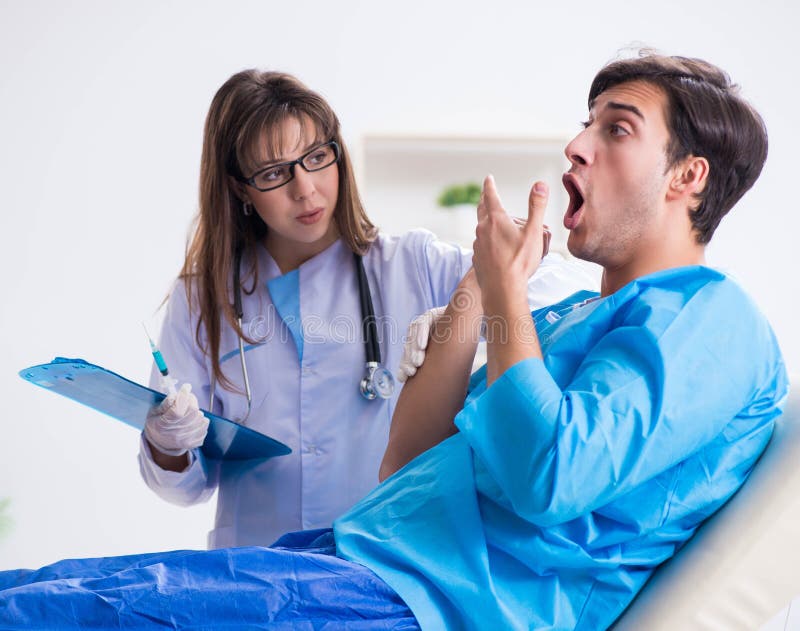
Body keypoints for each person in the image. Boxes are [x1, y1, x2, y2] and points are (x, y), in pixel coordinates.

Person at [0, 52, 788, 630]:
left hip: (423, 599)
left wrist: (501, 292)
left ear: (688, 176)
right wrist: (479, 291)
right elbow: (405, 460)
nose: (575, 145)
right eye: (585, 123)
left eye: (614, 128)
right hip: (351, 561)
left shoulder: (709, 319)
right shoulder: (567, 321)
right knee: (41, 592)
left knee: (44, 613)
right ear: (242, 192)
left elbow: (552, 475)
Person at [138, 69, 591, 549]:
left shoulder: (409, 264)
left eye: (316, 158)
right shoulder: (201, 300)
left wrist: (464, 308)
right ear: (238, 189)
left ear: (339, 154)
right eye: (274, 173)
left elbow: (559, 283)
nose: (306, 190)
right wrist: (169, 445)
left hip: (377, 566)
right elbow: (182, 486)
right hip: (255, 569)